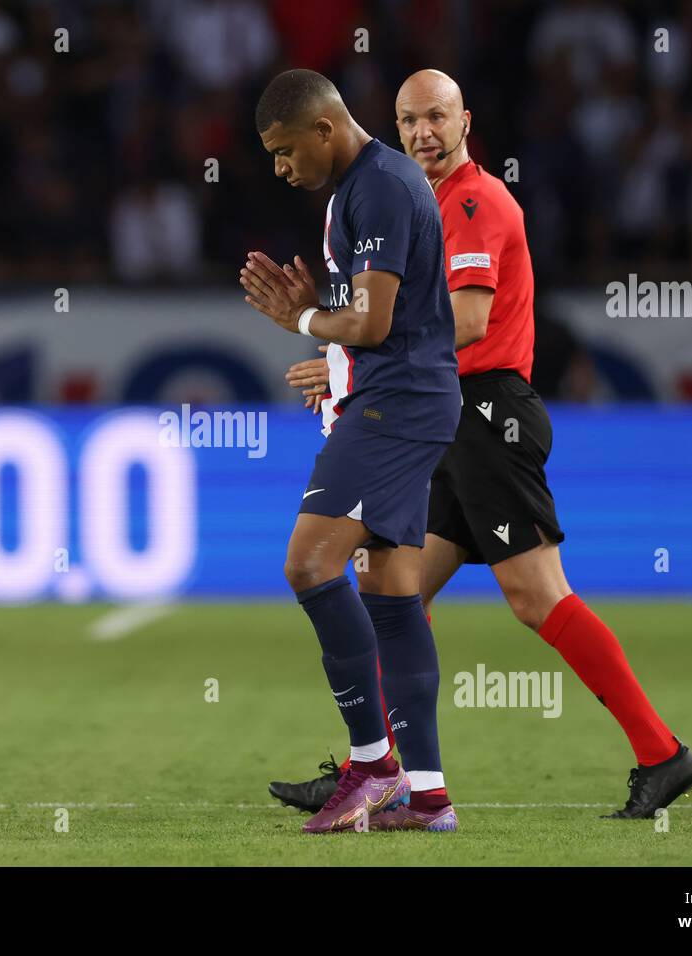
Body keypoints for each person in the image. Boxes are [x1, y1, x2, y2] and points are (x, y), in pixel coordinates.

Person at [270, 69, 692, 821]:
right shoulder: (417, 199)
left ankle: (662, 752)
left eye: (436, 117)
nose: (421, 134)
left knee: (536, 598)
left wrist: (348, 360)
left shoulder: (472, 201)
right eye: (407, 121)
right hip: (446, 421)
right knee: (395, 592)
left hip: (485, 417)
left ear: (465, 120)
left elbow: (467, 325)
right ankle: (379, 768)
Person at [241, 68, 461, 832]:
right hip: (404, 398)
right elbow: (374, 316)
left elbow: (371, 324)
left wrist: (303, 321)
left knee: (308, 562)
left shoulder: (378, 188)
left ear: (324, 129)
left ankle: (371, 763)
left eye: (282, 150)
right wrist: (322, 323)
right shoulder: (362, 189)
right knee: (393, 598)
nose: (280, 167)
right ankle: (428, 797)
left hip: (396, 408)